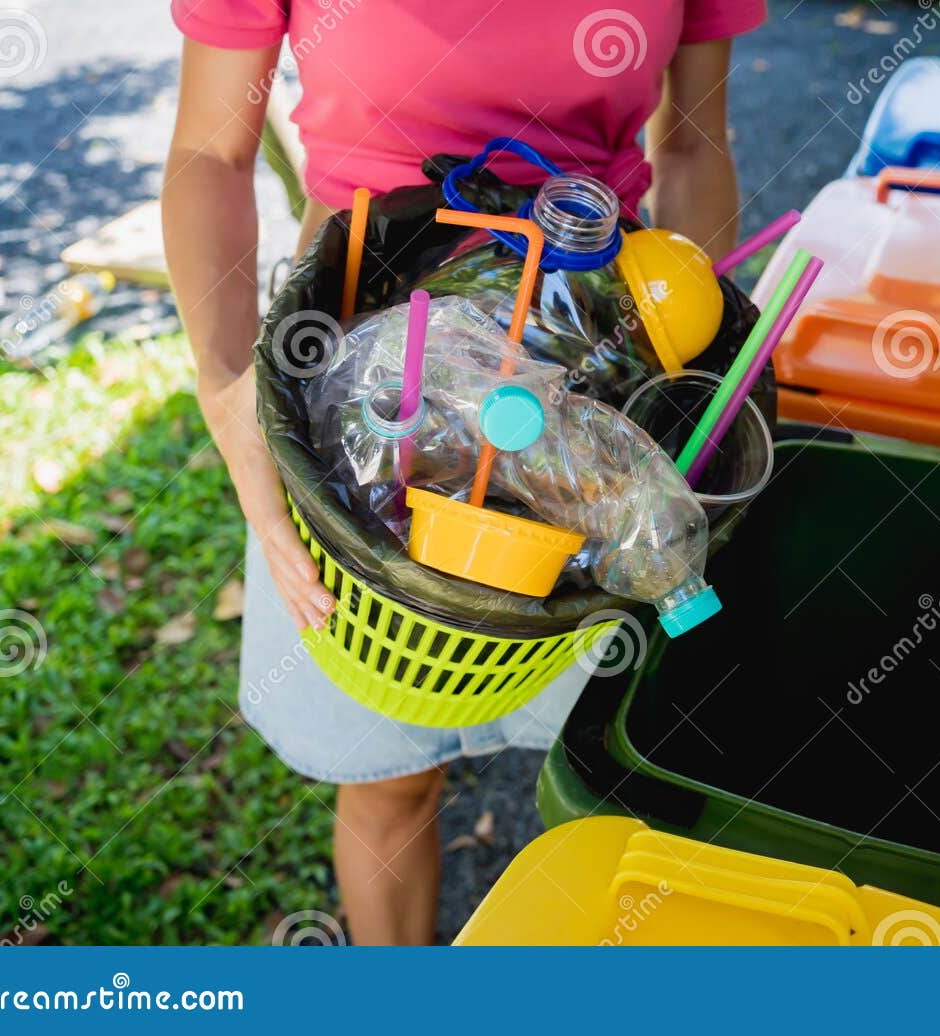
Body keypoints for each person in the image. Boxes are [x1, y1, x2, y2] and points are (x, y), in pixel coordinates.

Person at [161, 0, 765, 945]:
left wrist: (693, 379)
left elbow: (693, 146)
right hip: (357, 383)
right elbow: (210, 155)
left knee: (599, 790)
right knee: (388, 778)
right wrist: (226, 385)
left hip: (591, 382)